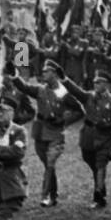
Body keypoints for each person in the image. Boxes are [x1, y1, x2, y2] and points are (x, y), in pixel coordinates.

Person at [8, 59, 82, 208]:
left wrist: (63, 121)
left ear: (54, 74)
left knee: (50, 163)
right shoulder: (41, 89)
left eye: (46, 72)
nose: (43, 74)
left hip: (55, 132)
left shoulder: (61, 92)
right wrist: (14, 75)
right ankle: (53, 195)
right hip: (41, 131)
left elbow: (79, 110)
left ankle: (45, 195)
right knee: (47, 163)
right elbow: (25, 87)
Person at [63, 71, 111, 210]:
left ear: (106, 85)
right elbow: (75, 91)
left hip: (105, 137)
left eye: (99, 82)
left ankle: (98, 195)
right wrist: (64, 79)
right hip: (88, 136)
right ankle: (100, 188)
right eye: (94, 82)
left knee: (101, 165)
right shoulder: (88, 96)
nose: (96, 84)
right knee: (91, 163)